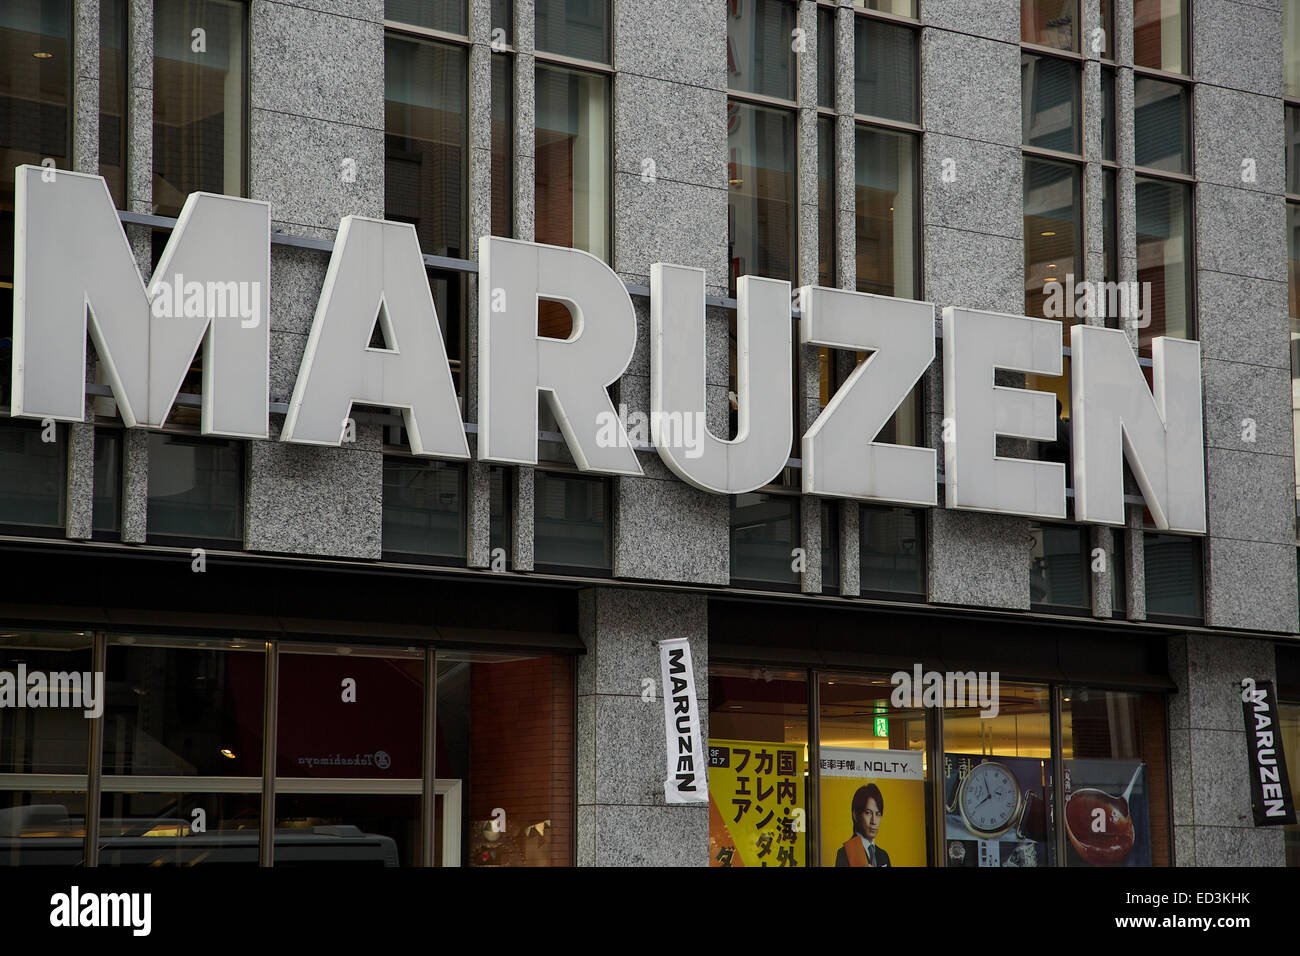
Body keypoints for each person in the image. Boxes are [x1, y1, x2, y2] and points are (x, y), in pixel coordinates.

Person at [834, 783, 891, 867]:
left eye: (878, 814)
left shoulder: (883, 855)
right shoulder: (845, 853)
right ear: (856, 815)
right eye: (868, 813)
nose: (873, 821)